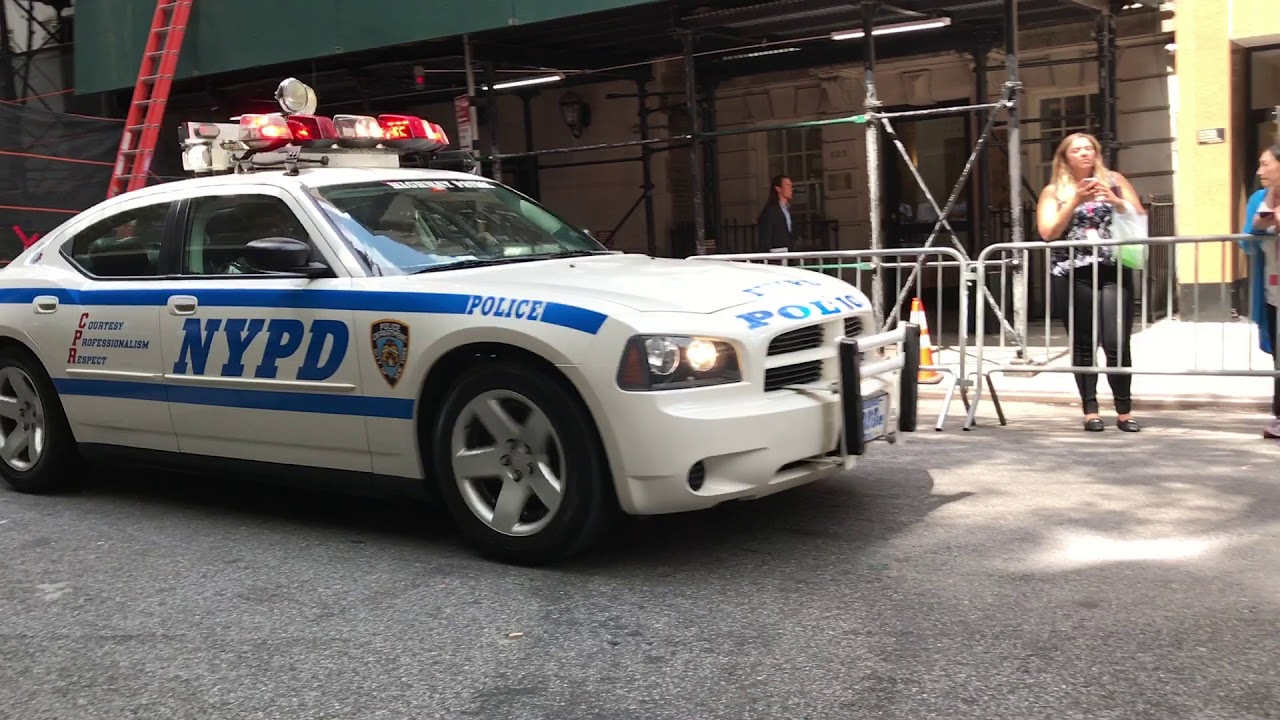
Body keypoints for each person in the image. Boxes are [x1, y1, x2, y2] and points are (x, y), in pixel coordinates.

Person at [1035, 132, 1146, 433]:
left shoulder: (1115, 181)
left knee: (1116, 341)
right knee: (1083, 343)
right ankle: (1090, 410)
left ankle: (1124, 410)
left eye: (1090, 149)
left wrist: (1115, 201)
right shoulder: (1053, 191)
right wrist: (1074, 201)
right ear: (1065, 157)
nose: (1085, 154)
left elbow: (1139, 217)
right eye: (1077, 150)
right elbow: (1048, 231)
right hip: (1072, 272)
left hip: (1112, 269)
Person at [1240, 141, 1280, 439]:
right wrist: (1259, 222)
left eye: (1265, 163)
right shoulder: (1258, 198)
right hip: (1272, 286)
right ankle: (1279, 415)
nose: (1259, 170)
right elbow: (1246, 243)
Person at [755, 175, 794, 252]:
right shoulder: (769, 212)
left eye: (791, 186)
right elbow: (765, 240)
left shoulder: (789, 211)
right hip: (776, 257)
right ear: (778, 189)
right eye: (787, 185)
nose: (791, 189)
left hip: (788, 256)